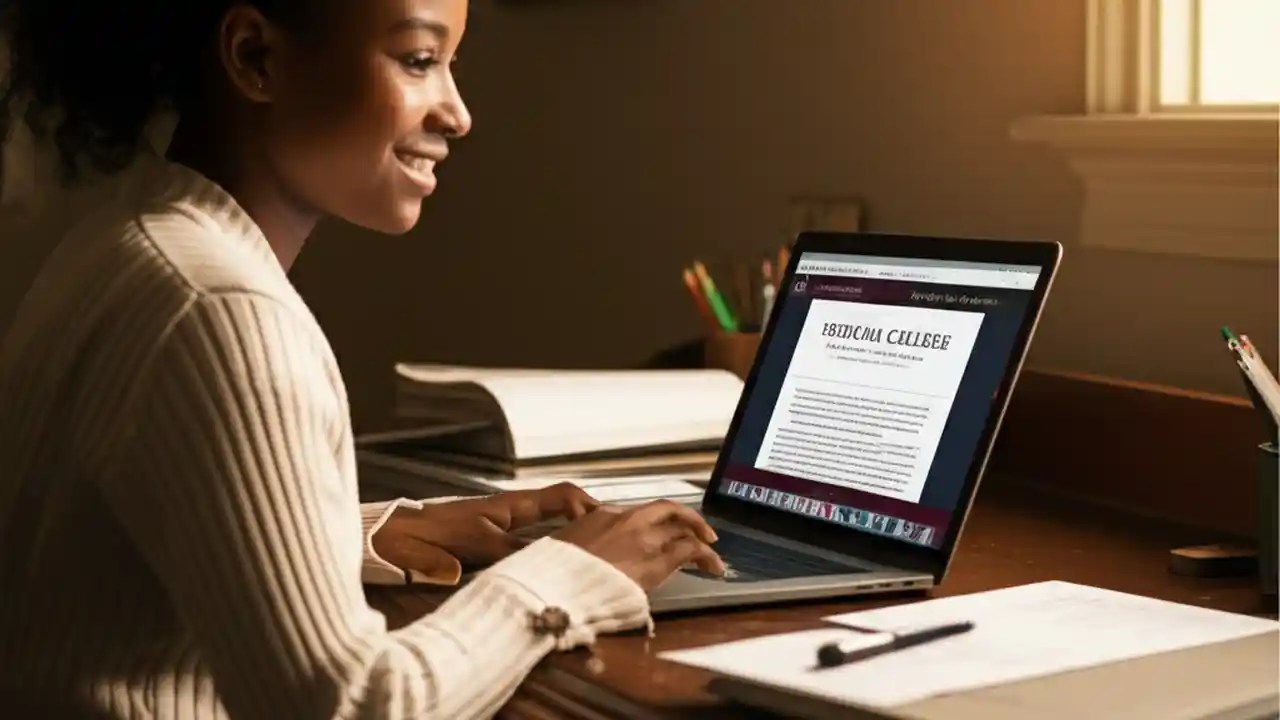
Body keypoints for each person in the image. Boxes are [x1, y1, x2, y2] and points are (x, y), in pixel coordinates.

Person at [0, 0, 725, 718]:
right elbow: (348, 704)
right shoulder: (224, 310)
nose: (458, 113)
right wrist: (573, 573)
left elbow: (115, 547)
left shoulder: (128, 244)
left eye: (451, 64)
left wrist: (359, 532)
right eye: (419, 61)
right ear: (256, 58)